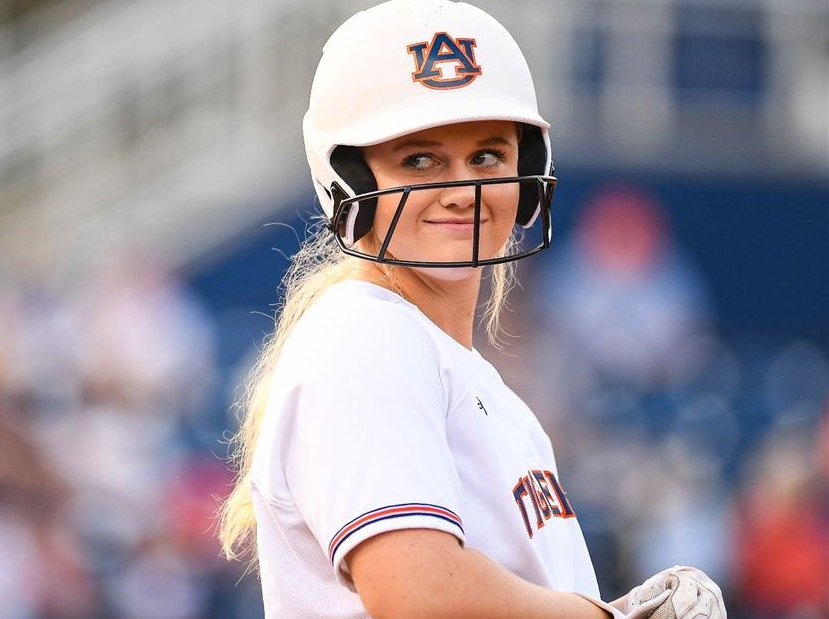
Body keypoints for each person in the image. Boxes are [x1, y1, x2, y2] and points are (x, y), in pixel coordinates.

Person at [215, 2, 728, 618]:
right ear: (349, 181)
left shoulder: (469, 380)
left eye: (487, 156)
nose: (463, 190)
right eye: (420, 159)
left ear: (529, 173)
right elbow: (419, 594)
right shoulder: (364, 334)